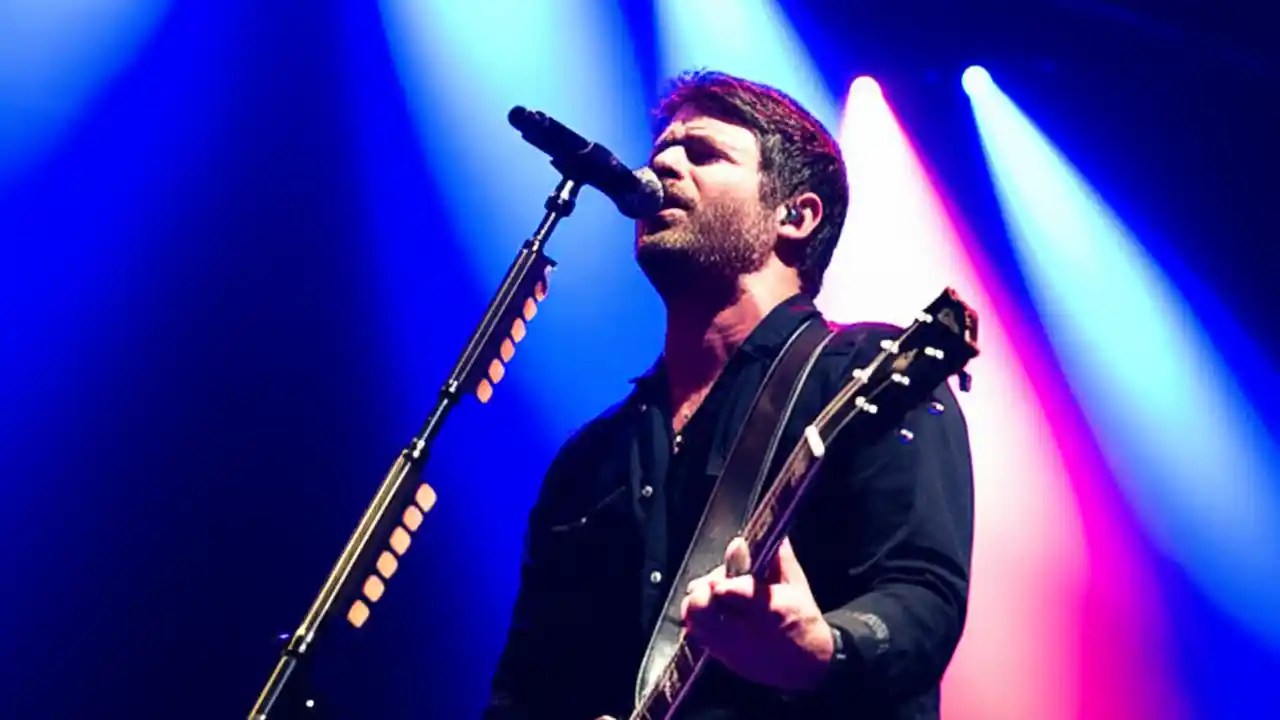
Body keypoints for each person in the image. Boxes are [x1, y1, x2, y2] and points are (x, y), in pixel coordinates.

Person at [483, 71, 974, 720]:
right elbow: (524, 688)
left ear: (795, 215)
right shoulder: (590, 462)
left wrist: (823, 648)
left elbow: (923, 594)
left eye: (703, 153)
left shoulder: (865, 374)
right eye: (661, 150)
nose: (662, 163)